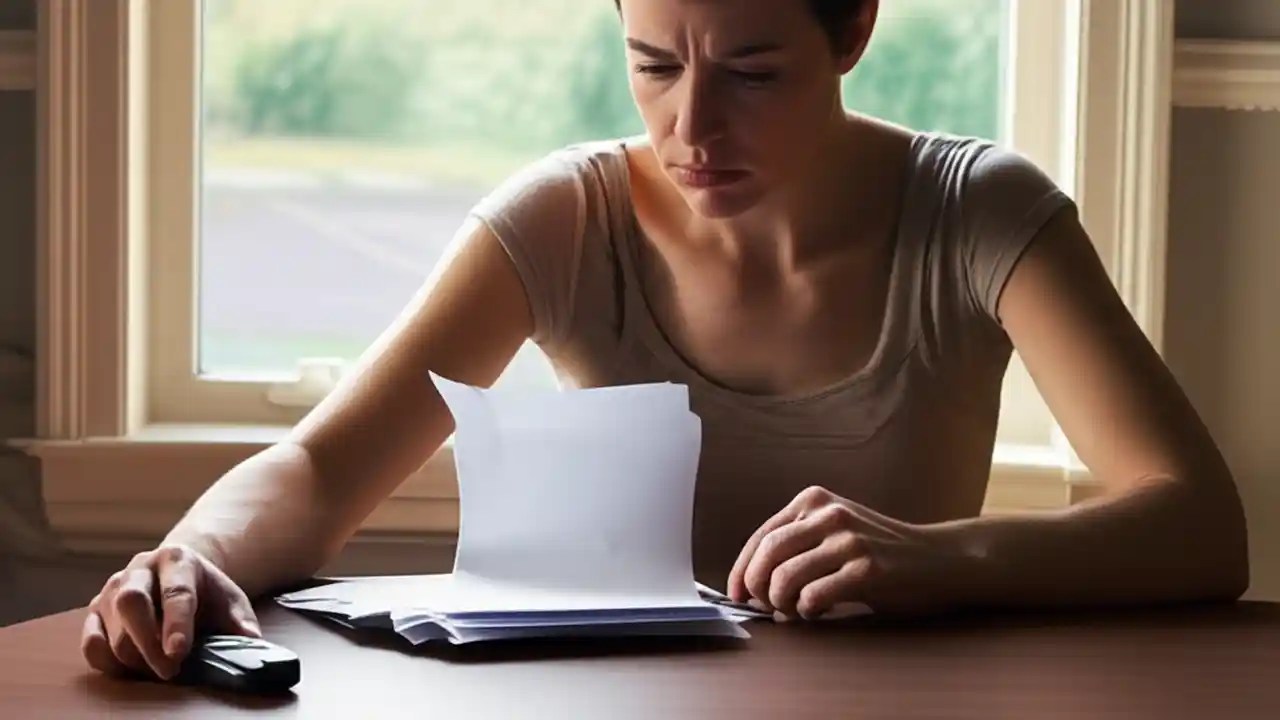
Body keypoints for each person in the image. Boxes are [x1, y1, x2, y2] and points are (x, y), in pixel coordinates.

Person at [81, 0, 1249, 680]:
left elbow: (1197, 524)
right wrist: (188, 559)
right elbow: (321, 467)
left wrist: (946, 558)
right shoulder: (567, 215)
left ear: (849, 33)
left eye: (750, 71)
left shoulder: (978, 210)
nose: (691, 126)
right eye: (651, 65)